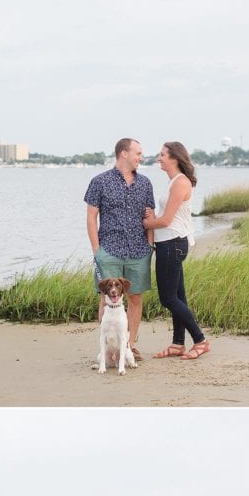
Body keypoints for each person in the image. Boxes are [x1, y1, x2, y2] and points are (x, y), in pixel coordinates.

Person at [84, 139, 155, 362]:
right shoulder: (100, 181)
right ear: (124, 153)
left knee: (135, 298)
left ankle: (129, 346)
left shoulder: (145, 183)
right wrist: (97, 250)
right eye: (138, 153)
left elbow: (149, 216)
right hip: (109, 250)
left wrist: (150, 246)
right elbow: (91, 217)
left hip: (138, 251)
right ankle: (108, 349)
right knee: (106, 298)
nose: (141, 157)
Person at [144, 143, 210, 360]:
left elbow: (165, 221)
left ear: (174, 158)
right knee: (178, 297)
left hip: (173, 243)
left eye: (162, 154)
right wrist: (153, 218)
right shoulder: (174, 181)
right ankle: (178, 343)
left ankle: (200, 340)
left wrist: (146, 223)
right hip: (169, 243)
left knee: (168, 298)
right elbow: (166, 218)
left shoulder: (180, 182)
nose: (159, 158)